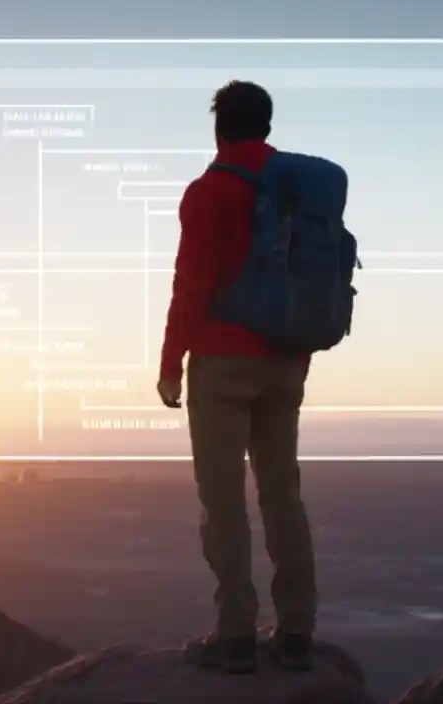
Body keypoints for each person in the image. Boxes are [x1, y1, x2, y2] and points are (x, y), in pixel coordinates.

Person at [157, 81, 316, 673]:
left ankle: (236, 637)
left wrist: (171, 364)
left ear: (219, 128)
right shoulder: (298, 189)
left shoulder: (208, 192)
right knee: (283, 495)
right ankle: (297, 631)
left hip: (223, 360)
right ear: (267, 127)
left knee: (222, 502)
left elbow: (191, 283)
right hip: (286, 358)